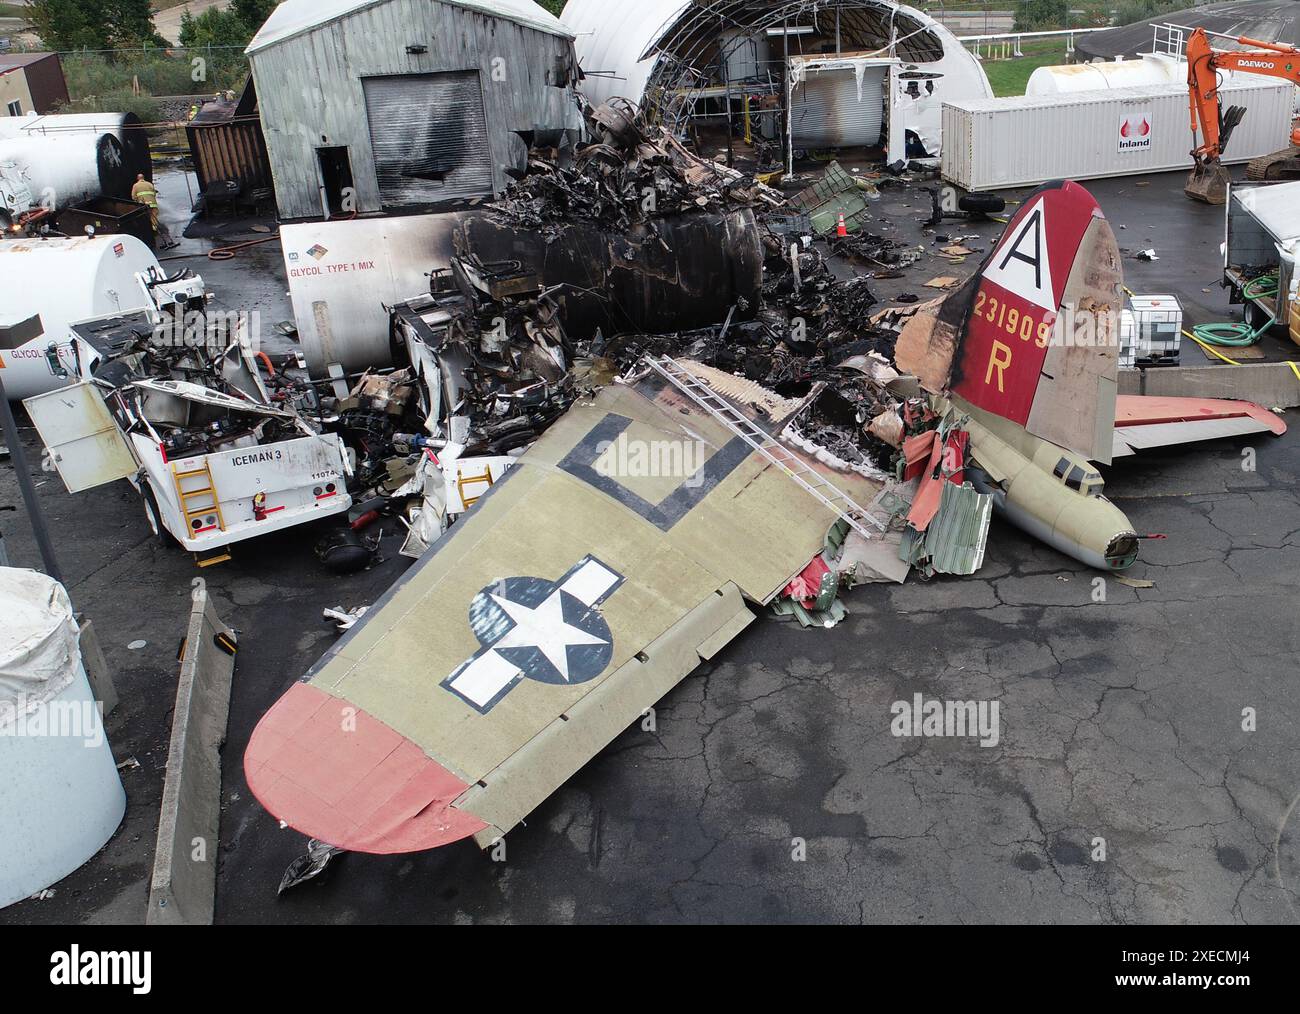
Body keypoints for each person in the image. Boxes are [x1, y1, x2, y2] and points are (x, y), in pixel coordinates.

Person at [131, 173, 177, 250]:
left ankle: (153, 231)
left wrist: (137, 201)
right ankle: (156, 229)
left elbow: (133, 196)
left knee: (147, 219)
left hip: (144, 205)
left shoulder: (136, 185)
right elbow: (154, 194)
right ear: (143, 178)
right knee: (154, 217)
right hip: (153, 204)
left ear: (137, 178)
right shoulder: (149, 184)